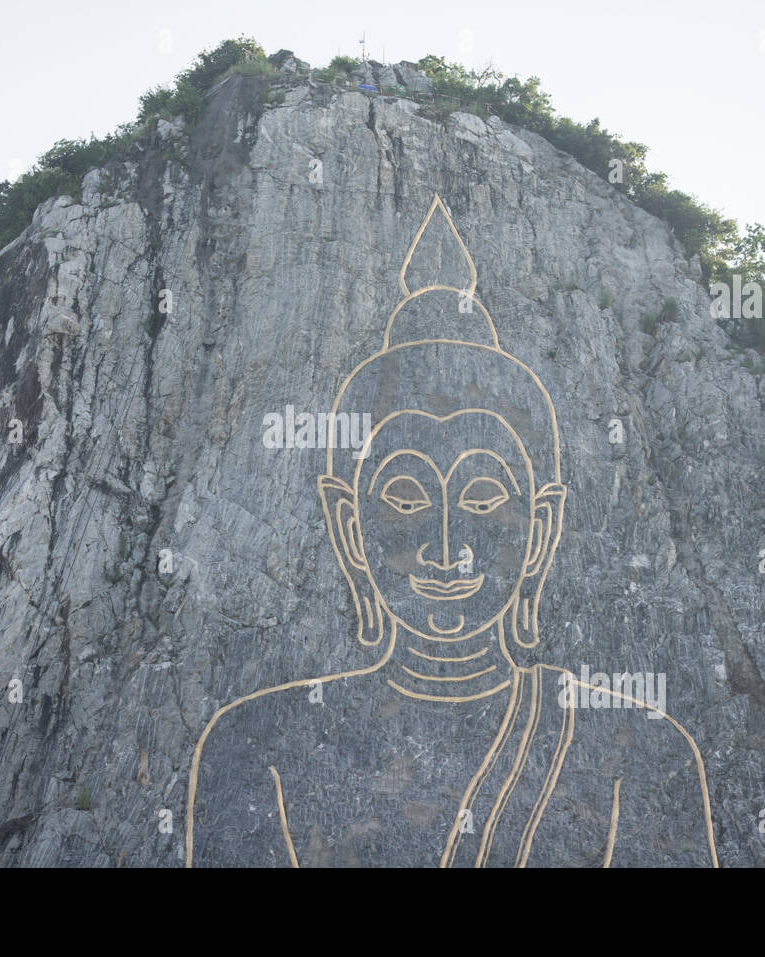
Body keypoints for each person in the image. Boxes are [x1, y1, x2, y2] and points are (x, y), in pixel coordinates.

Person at [186, 195, 717, 867]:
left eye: (486, 494)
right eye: (405, 497)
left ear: (542, 528)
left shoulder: (634, 745)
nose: (446, 546)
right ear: (349, 528)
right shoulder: (255, 746)